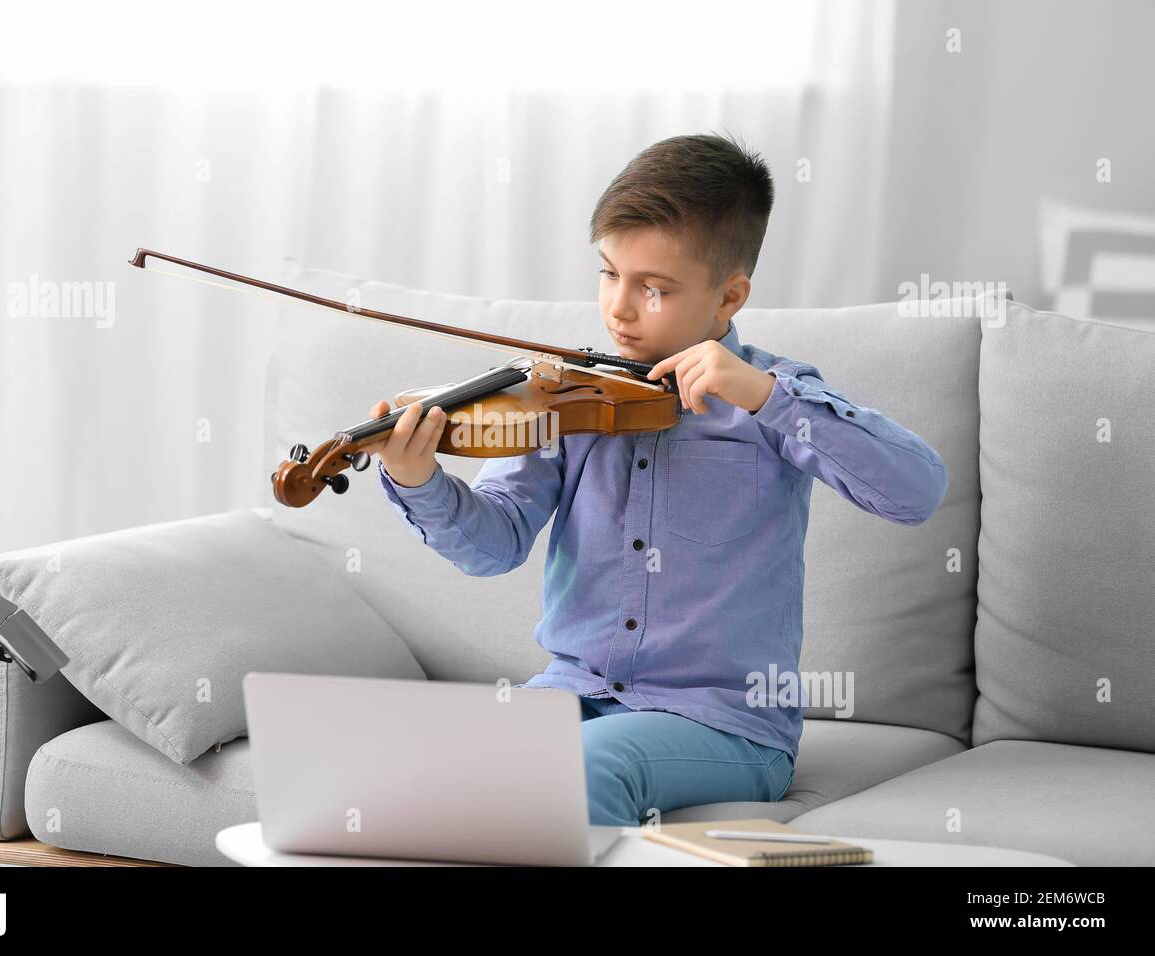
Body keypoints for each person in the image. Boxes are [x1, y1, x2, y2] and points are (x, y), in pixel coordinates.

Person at [367, 132, 948, 827]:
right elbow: (494, 546)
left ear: (729, 295)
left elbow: (916, 491)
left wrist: (767, 398)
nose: (619, 307)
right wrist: (418, 479)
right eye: (610, 273)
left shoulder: (773, 396)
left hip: (725, 723)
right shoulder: (568, 399)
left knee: (584, 771)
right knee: (422, 760)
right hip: (571, 694)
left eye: (654, 288)